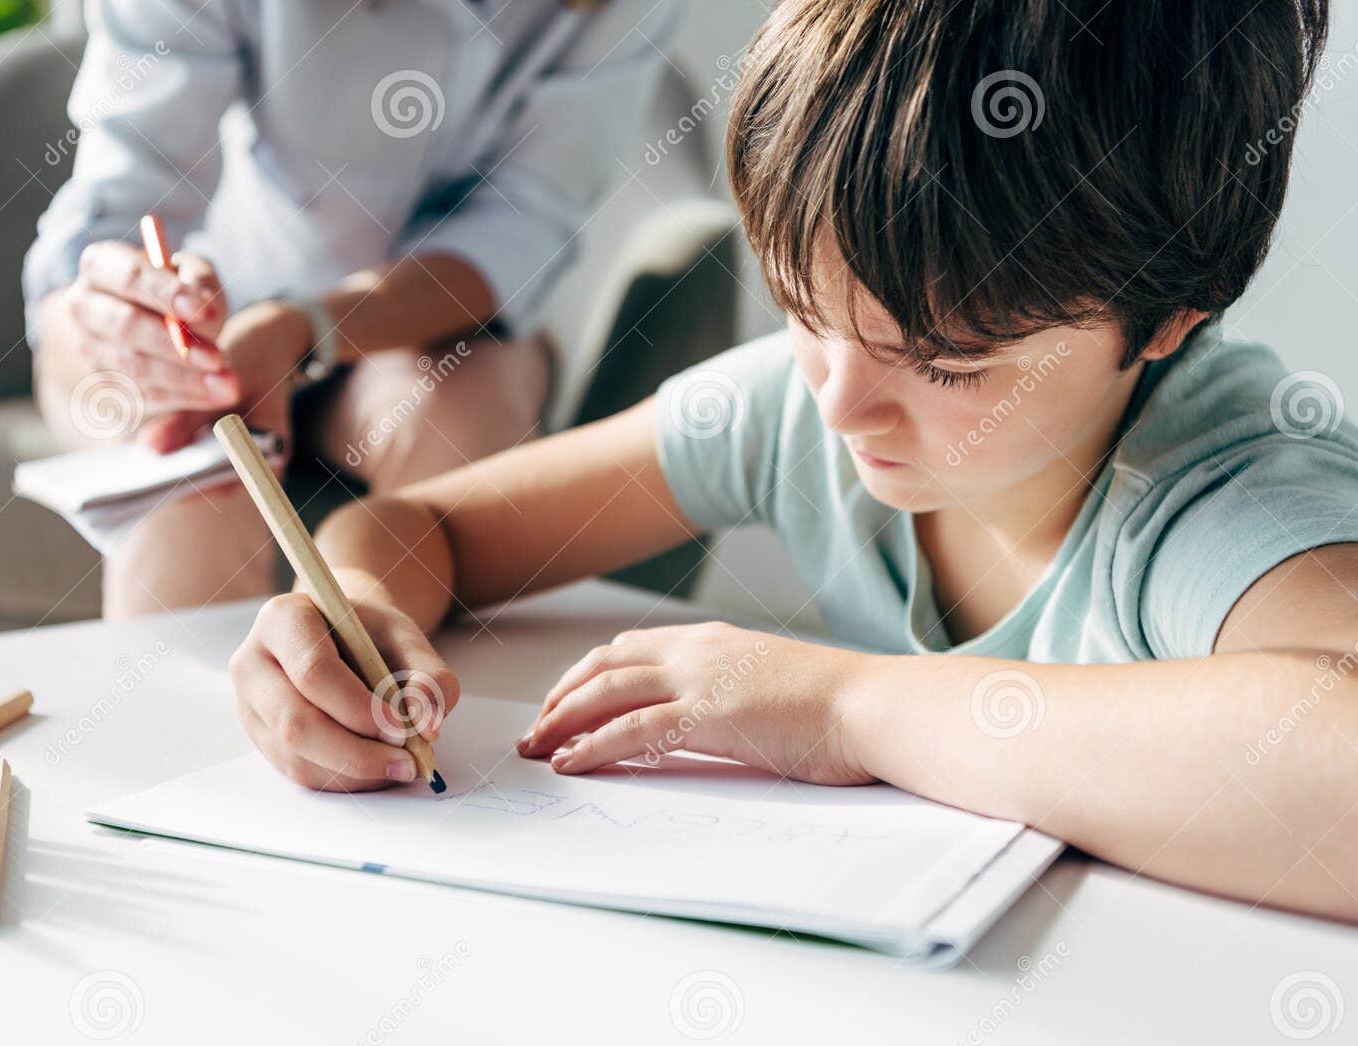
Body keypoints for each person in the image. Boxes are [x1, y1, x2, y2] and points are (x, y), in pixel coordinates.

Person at [228, 0, 1358, 922]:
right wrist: (356, 606)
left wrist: (843, 707)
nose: (840, 399)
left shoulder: (1225, 493)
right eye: (801, 312)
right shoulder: (804, 398)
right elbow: (423, 526)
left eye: (945, 366)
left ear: (1163, 319)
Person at [24, 0, 680, 616]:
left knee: (458, 424)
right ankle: (183, 727)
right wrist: (138, 306)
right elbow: (130, 188)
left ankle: (420, 714)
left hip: (433, 329)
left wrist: (307, 329)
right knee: (189, 466)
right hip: (226, 317)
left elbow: (523, 221)